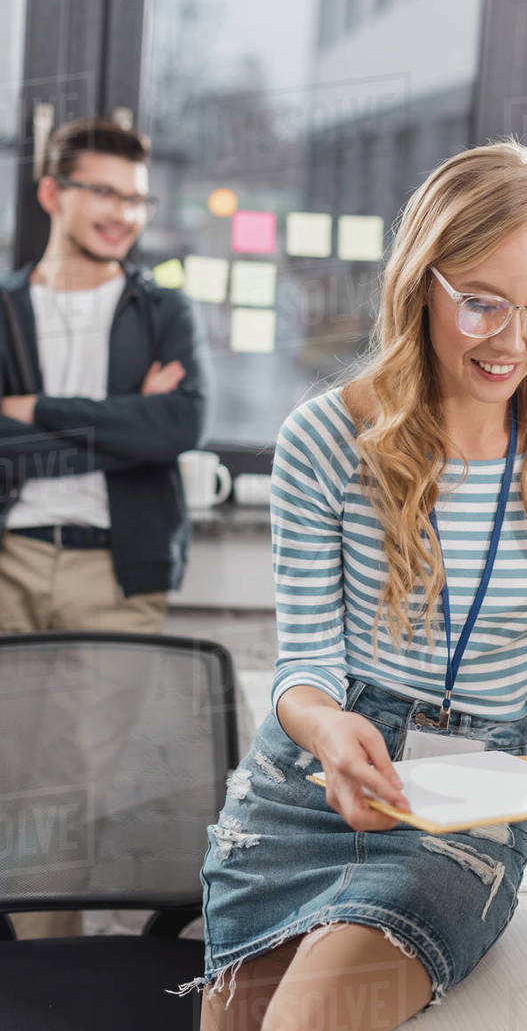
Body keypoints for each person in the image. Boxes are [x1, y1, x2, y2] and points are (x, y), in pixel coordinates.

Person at [187, 141, 527, 1031]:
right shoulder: (324, 438)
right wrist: (326, 730)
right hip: (314, 783)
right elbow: (307, 662)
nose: (513, 341)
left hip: (467, 805)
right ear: (420, 284)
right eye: (481, 303)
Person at [0, 117, 207, 938]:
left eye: (136, 198)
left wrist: (37, 411)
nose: (124, 213)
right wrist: (120, 420)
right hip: (10, 557)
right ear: (53, 192)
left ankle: (46, 985)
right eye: (104, 192)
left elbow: (176, 426)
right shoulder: (6, 309)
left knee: (67, 791)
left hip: (114, 576)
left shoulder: (163, 312)